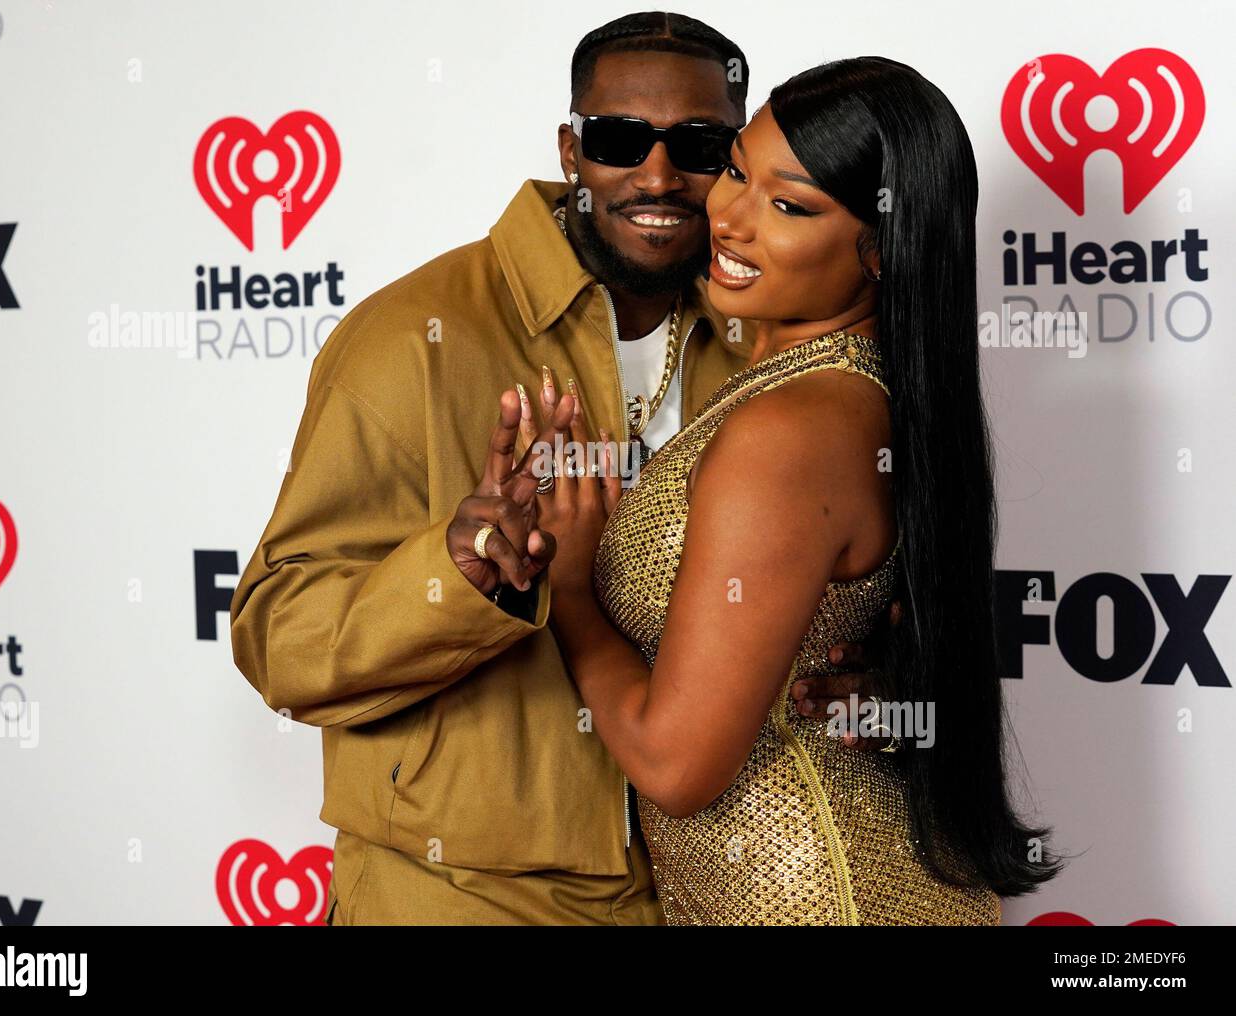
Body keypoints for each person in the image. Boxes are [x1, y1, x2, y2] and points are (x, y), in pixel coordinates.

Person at [230, 13, 893, 927]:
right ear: (571, 150)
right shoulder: (412, 339)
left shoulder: (763, 343)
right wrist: (451, 576)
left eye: (700, 147)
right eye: (620, 140)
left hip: (691, 899)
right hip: (459, 899)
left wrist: (887, 674)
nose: (658, 177)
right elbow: (277, 637)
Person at [526, 56, 1064, 924]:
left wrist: (574, 592)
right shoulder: (822, 386)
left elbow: (676, 766)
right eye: (737, 169)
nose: (729, 217)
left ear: (882, 247)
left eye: (789, 206)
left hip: (814, 895)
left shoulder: (795, 430)